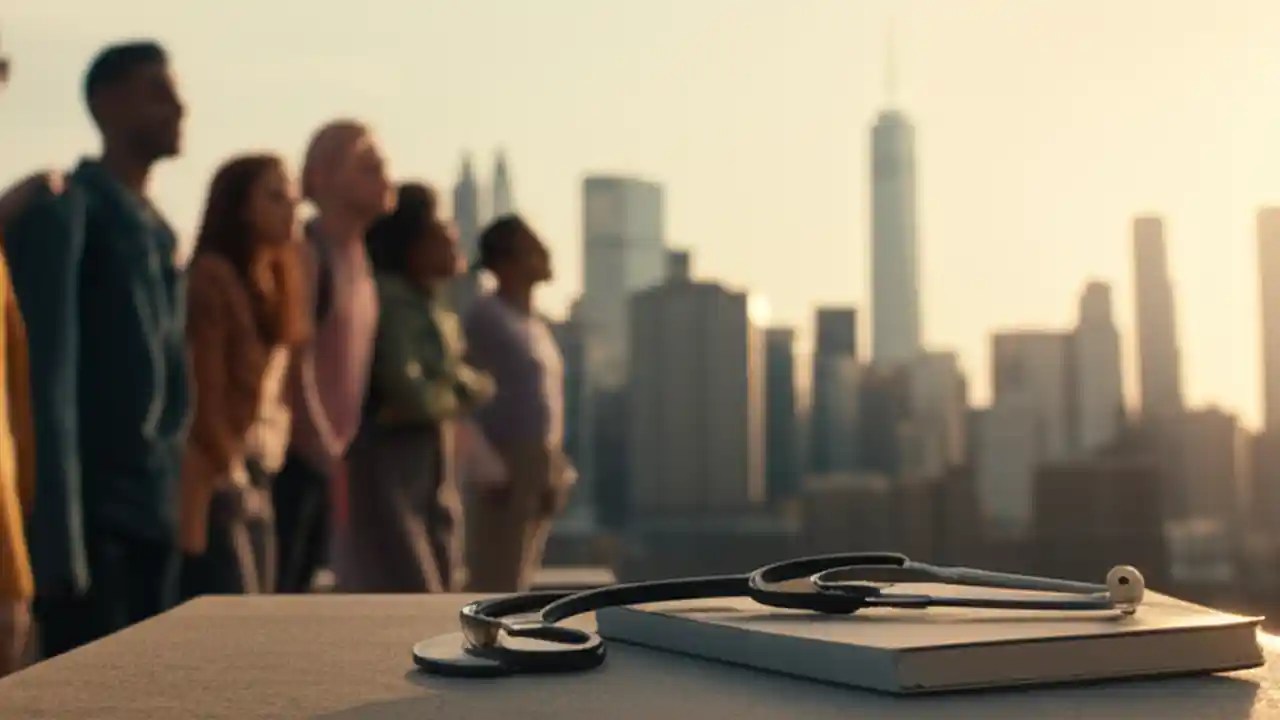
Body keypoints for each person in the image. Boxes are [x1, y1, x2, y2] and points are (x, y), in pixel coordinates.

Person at [4, 41, 190, 657]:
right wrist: (60, 543)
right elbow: (46, 380)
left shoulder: (158, 231)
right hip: (97, 524)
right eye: (156, 91)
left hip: (153, 515)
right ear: (107, 103)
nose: (179, 106)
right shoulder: (69, 212)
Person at [336, 183, 494, 593]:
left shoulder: (428, 301)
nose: (453, 236)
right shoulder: (394, 300)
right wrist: (455, 398)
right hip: (395, 449)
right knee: (408, 572)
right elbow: (409, 391)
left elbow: (455, 379)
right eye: (441, 229)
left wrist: (457, 391)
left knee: (439, 559)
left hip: (427, 449)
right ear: (414, 242)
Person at [179, 155, 310, 597]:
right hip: (220, 469)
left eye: (292, 198)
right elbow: (205, 387)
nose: (291, 208)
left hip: (262, 463)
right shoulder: (213, 276)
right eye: (275, 197)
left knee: (261, 605)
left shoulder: (277, 274)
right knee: (236, 605)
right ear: (240, 207)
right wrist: (228, 466)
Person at [273, 120, 392, 593]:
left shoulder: (360, 262)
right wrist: (320, 445)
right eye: (368, 168)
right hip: (293, 464)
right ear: (320, 178)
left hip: (328, 462)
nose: (386, 179)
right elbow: (292, 361)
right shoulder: (306, 254)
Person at [462, 215, 575, 592]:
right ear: (506, 261)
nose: (544, 253)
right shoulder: (486, 317)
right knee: (496, 575)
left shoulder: (534, 322)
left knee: (522, 573)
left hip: (541, 458)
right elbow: (462, 392)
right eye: (532, 248)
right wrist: (482, 460)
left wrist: (555, 462)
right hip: (504, 460)